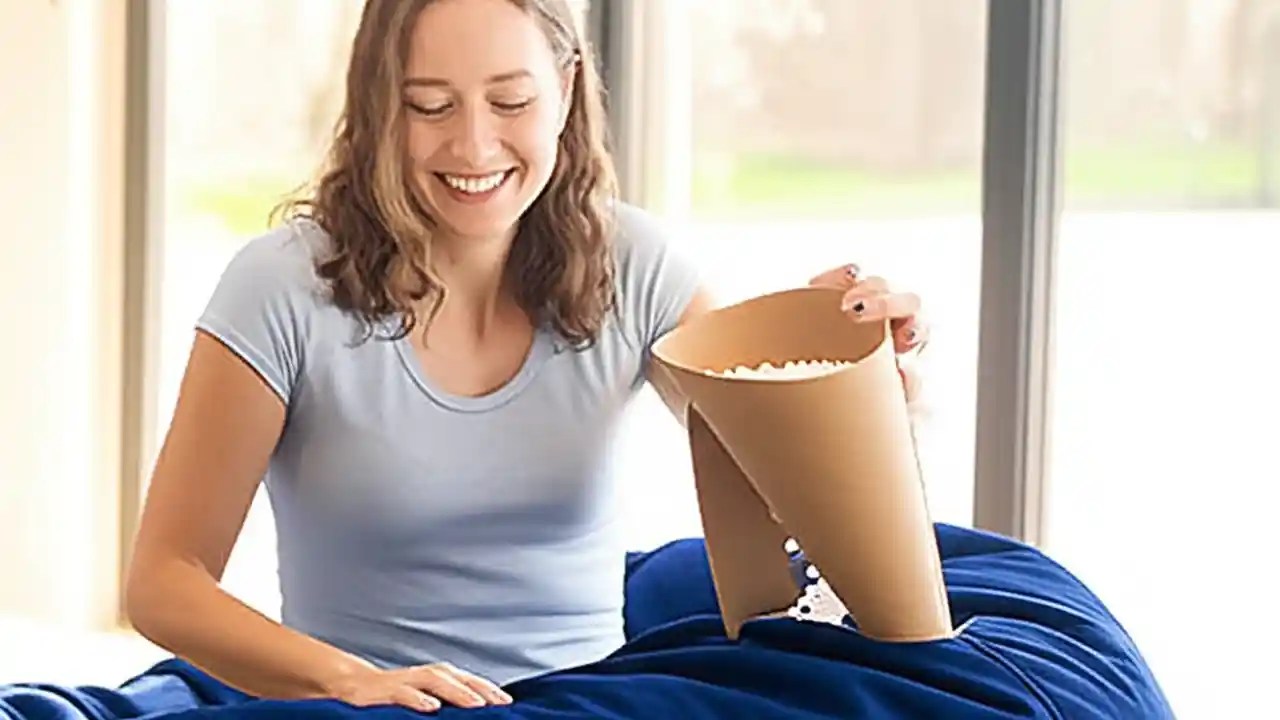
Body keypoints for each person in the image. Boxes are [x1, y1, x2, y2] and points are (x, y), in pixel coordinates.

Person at [122, 0, 928, 715]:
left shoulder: (633, 265)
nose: (474, 146)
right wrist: (346, 680)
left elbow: (778, 482)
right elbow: (165, 579)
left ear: (567, 90)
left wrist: (843, 379)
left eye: (511, 101)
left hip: (579, 701)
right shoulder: (281, 288)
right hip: (369, 707)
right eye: (428, 106)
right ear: (375, 107)